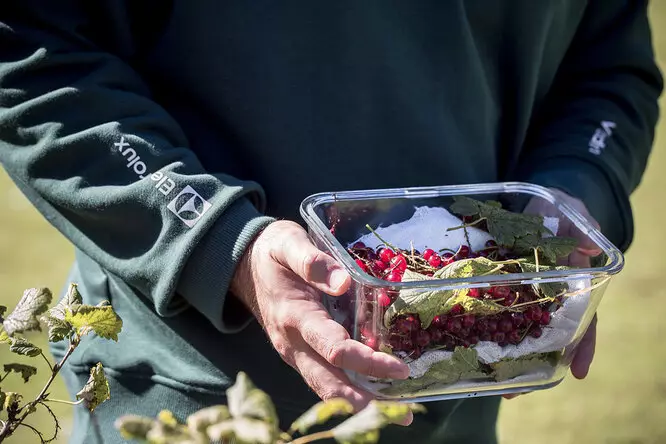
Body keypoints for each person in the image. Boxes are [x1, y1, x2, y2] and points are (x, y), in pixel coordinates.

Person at [0, 1, 662, 442]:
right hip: (189, 401)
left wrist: (566, 207)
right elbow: (30, 52)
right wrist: (216, 240)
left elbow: (608, 67)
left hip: (456, 408)